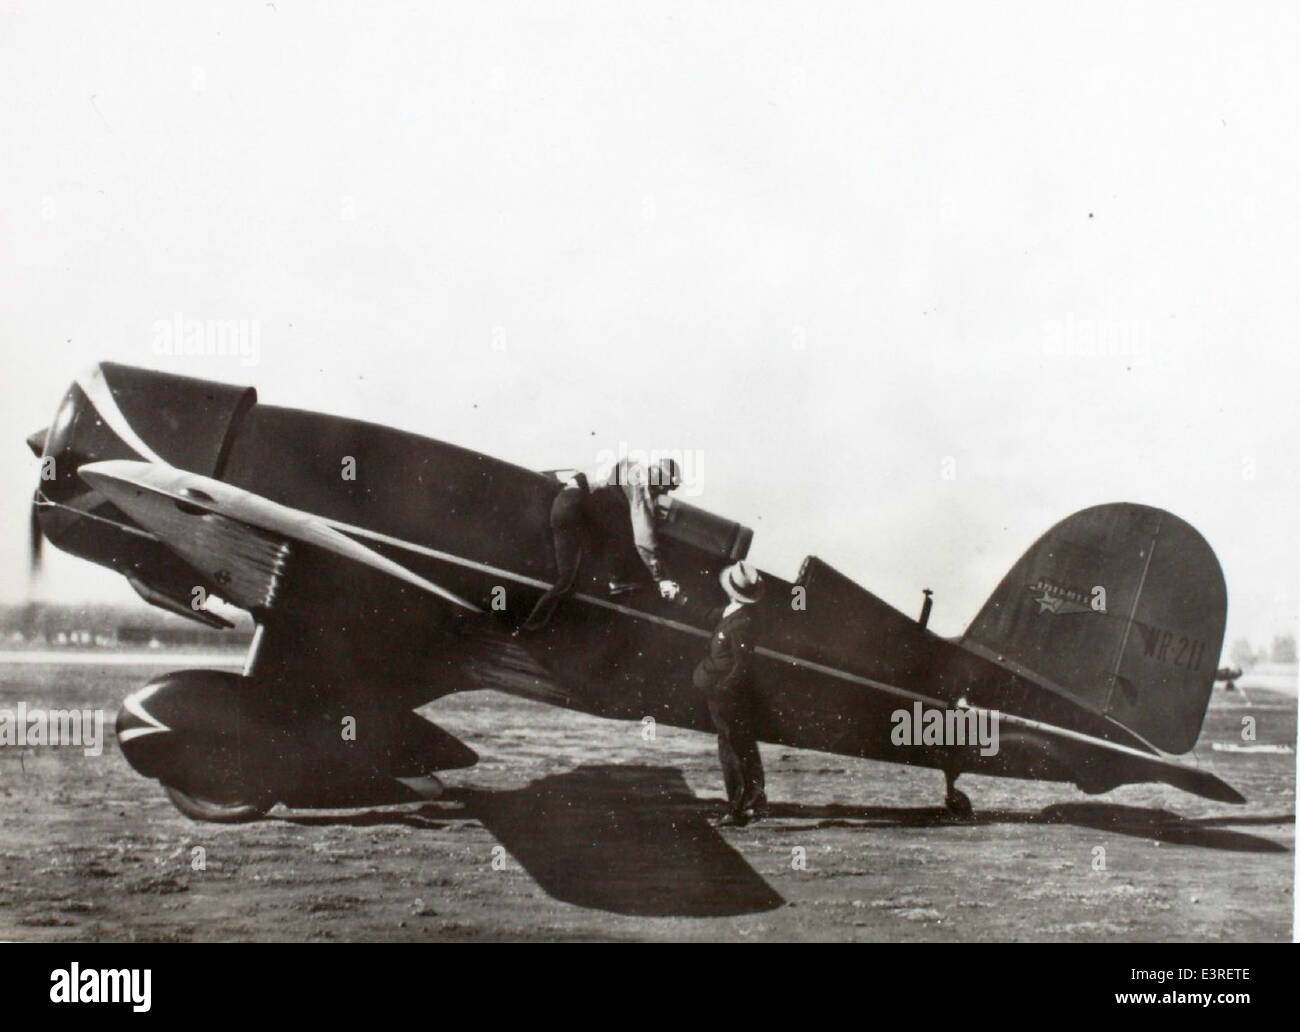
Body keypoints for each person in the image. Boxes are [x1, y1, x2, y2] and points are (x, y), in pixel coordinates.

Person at [519, 455, 682, 631]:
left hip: (567, 503)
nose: (660, 494)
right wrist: (661, 577)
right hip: (574, 509)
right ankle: (530, 629)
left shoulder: (628, 466)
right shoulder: (640, 485)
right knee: (567, 580)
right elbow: (643, 536)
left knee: (572, 574)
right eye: (662, 490)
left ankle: (616, 578)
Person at [692, 560, 767, 827]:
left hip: (728, 696)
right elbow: (708, 615)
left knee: (732, 749)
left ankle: (739, 809)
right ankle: (753, 806)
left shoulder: (741, 622)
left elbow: (742, 665)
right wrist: (680, 598)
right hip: (728, 695)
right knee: (740, 745)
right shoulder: (733, 613)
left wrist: (723, 688)